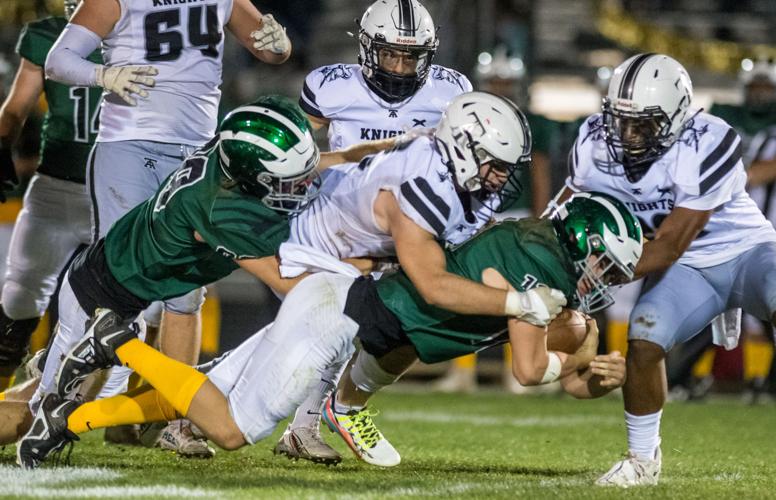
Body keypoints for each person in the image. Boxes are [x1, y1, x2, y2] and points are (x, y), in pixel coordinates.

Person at [16, 192, 640, 469]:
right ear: (581, 245)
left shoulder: (555, 281)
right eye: (605, 263)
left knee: (205, 389)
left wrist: (596, 373)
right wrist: (575, 361)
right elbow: (531, 371)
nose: (606, 279)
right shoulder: (543, 269)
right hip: (339, 317)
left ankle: (62, 423)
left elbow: (566, 369)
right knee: (232, 428)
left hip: (353, 324)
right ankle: (115, 340)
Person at [0, 96, 356, 448]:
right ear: (249, 180)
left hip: (112, 281)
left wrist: (368, 153)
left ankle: (58, 371)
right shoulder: (221, 210)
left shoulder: (232, 153)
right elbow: (289, 284)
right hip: (97, 299)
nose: (304, 185)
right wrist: (360, 277)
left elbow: (293, 160)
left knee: (55, 395)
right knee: (40, 418)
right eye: (291, 181)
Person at [275, 90, 565, 463]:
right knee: (309, 347)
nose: (503, 177)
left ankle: (329, 415)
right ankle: (198, 414)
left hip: (366, 248)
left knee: (390, 326)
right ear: (463, 149)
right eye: (496, 164)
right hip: (317, 243)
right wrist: (520, 303)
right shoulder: (424, 183)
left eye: (508, 166)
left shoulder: (448, 162)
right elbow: (433, 286)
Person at [41, 0, 293, 399]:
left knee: (186, 291)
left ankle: (171, 412)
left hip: (198, 154)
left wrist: (279, 45)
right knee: (115, 280)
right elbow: (57, 61)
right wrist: (102, 74)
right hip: (129, 143)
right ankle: (61, 395)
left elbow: (270, 50)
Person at [556, 53, 776, 486]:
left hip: (744, 250)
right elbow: (564, 211)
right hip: (690, 270)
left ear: (678, 117)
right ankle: (642, 460)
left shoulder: (709, 139)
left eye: (644, 123)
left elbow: (672, 243)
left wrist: (594, 277)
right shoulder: (594, 142)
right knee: (644, 338)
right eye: (621, 120)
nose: (629, 134)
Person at [0, 0, 98, 388]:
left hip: (117, 190)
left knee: (134, 307)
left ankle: (130, 414)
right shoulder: (46, 35)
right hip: (56, 184)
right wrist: (3, 144)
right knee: (19, 298)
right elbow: (16, 108)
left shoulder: (141, 36)